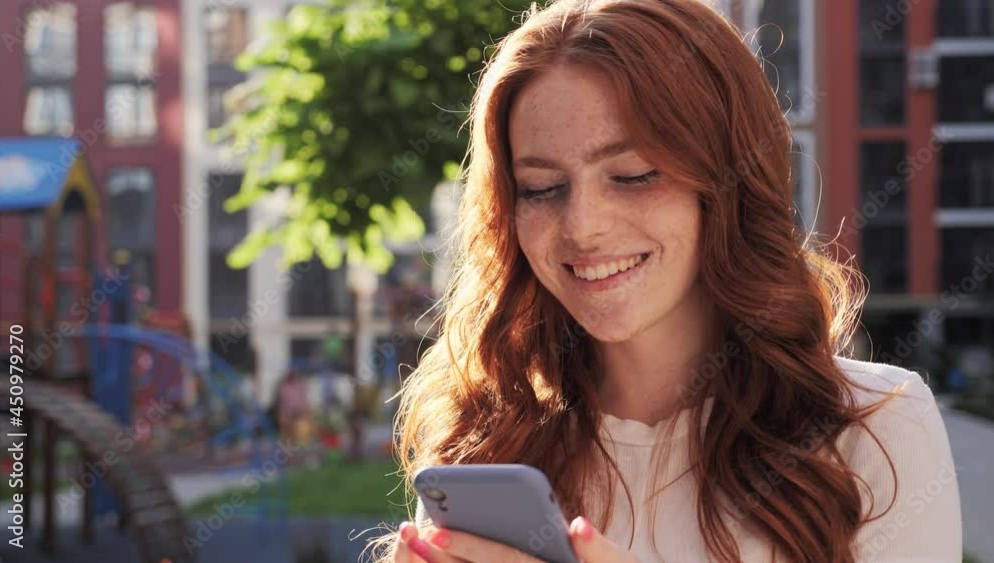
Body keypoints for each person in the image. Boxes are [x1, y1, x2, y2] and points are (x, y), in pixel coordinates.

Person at [382, 1, 962, 561]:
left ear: (727, 182)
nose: (582, 228)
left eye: (633, 176)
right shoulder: (489, 443)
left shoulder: (879, 426)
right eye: (540, 187)